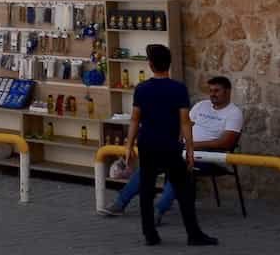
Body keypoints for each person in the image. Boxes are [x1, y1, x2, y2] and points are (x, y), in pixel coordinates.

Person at [101, 75, 243, 219]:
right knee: (150, 164)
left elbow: (226, 143)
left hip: (208, 156)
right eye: (211, 90)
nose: (212, 94)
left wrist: (193, 145)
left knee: (177, 168)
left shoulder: (234, 113)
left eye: (217, 91)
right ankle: (119, 203)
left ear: (228, 92)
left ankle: (159, 210)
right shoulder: (202, 105)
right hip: (183, 149)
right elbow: (184, 127)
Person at [125, 44, 217, 247]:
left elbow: (134, 120)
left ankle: (150, 234)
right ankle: (193, 233)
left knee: (146, 189)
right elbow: (185, 122)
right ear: (169, 65)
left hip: (147, 144)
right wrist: (190, 150)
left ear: (150, 65)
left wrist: (129, 145)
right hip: (169, 146)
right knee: (183, 189)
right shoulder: (178, 89)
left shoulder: (142, 89)